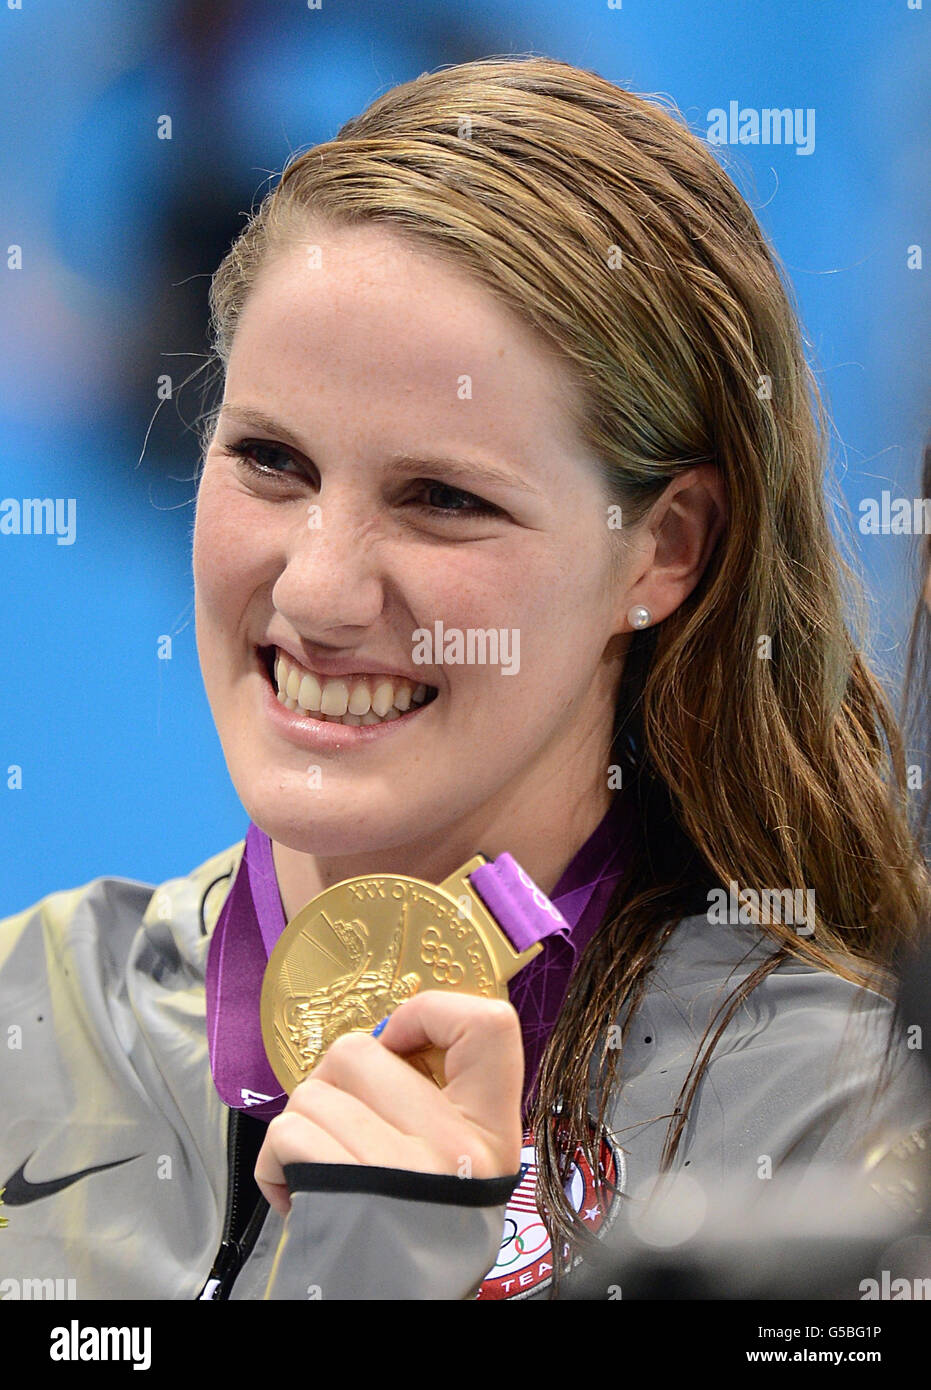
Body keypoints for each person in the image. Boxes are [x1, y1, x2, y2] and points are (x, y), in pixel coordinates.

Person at [2, 55, 930, 1303]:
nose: (319, 593)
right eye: (271, 460)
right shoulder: (32, 1017)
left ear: (665, 550)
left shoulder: (841, 1121)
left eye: (442, 500)